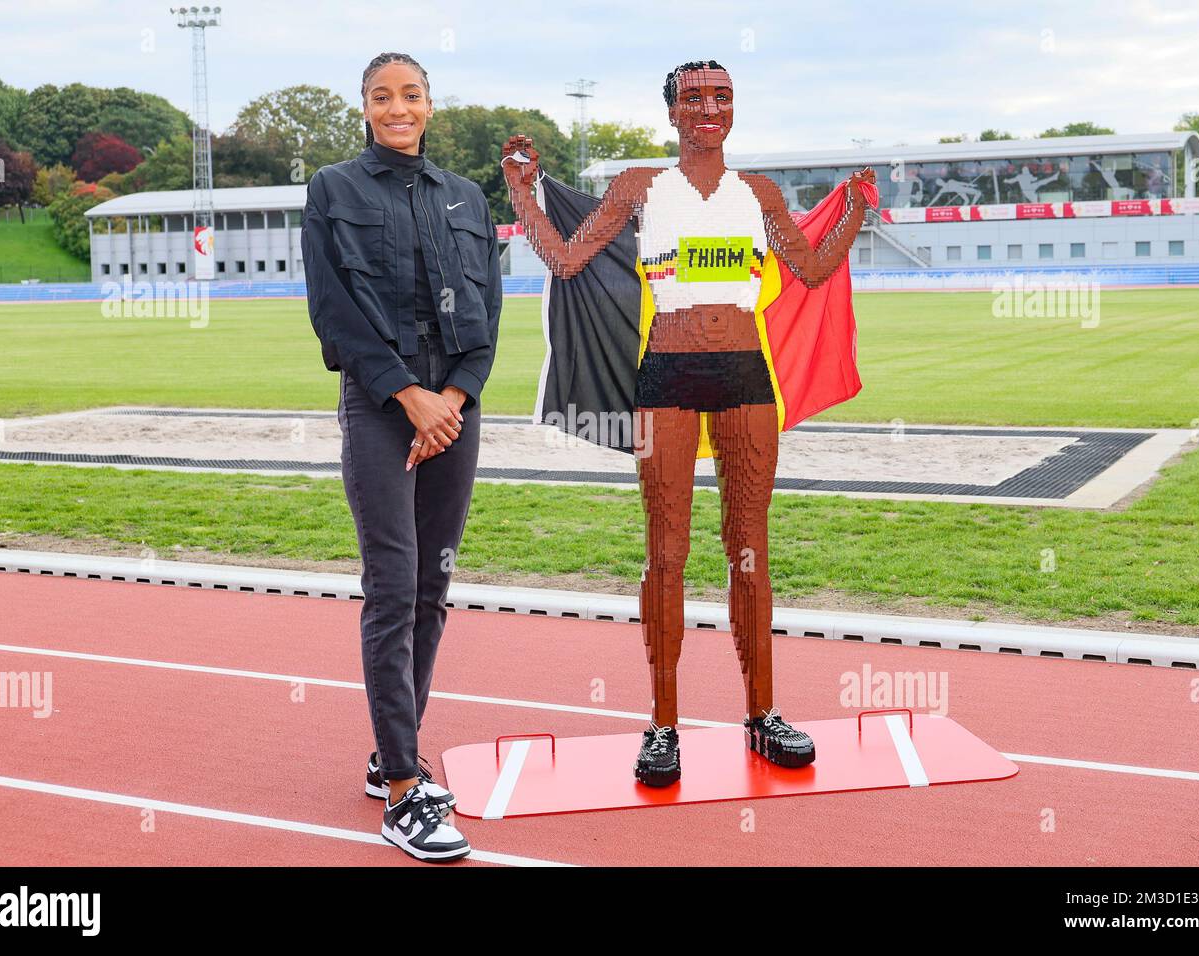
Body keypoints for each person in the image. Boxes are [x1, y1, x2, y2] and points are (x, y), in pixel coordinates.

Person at [502, 60, 873, 787]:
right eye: (695, 98)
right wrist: (521, 192)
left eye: (723, 97)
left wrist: (857, 208)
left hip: (745, 377)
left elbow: (814, 272)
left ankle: (762, 715)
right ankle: (663, 725)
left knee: (750, 548)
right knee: (666, 551)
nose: (710, 107)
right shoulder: (641, 187)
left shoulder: (760, 192)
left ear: (734, 110)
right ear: (671, 112)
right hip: (665, 375)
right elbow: (569, 260)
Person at [302, 52, 501, 861]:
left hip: (454, 405)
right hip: (381, 404)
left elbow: (489, 304)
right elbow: (331, 306)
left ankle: (394, 750)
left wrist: (451, 397)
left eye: (410, 95)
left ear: (429, 105)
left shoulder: (467, 196)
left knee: (432, 585)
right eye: (382, 96)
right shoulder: (333, 190)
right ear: (364, 108)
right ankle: (406, 794)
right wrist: (404, 395)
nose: (397, 108)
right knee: (391, 585)